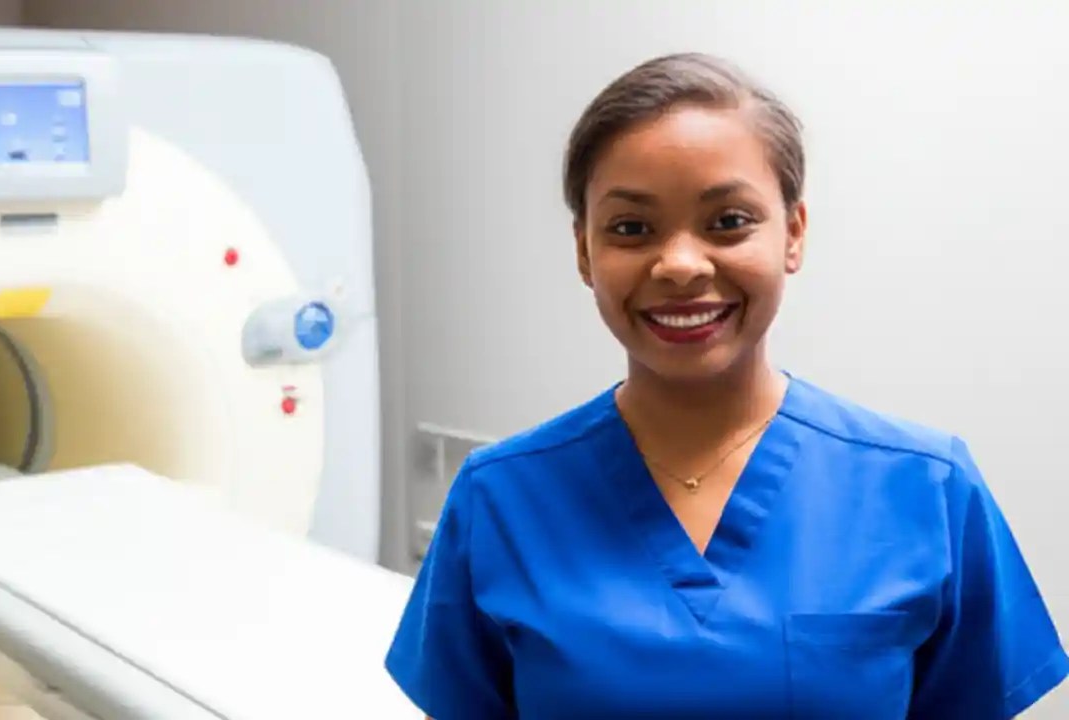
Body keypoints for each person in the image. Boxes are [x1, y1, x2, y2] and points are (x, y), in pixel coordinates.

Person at [383, 52, 1068, 719]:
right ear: (585, 251)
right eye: (631, 228)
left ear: (793, 233)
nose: (680, 264)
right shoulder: (500, 498)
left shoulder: (927, 488)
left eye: (729, 222)